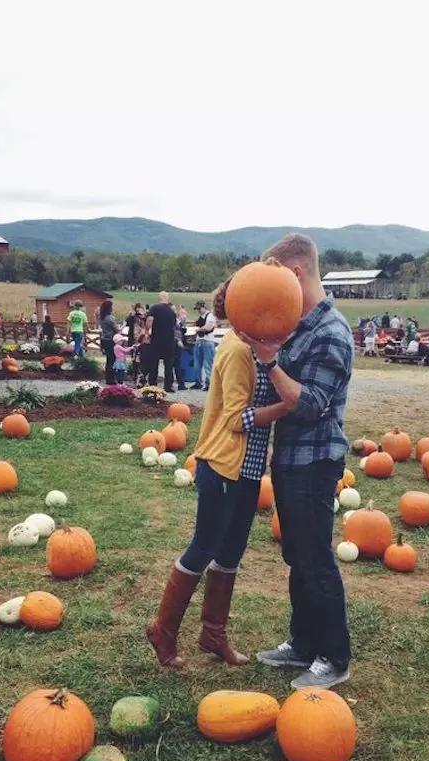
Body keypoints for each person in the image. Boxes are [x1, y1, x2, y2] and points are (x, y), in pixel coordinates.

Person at [146, 278, 290, 668]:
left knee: (230, 553)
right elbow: (238, 418)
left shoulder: (253, 347)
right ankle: (163, 629)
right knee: (204, 547)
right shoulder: (238, 351)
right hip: (223, 467)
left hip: (247, 469)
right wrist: (288, 407)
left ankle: (213, 635)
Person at [242, 234, 353, 690]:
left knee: (316, 559)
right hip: (289, 460)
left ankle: (334, 657)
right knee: (297, 556)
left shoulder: (331, 332)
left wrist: (269, 362)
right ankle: (303, 643)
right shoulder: (300, 325)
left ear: (296, 274)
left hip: (315, 462)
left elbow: (311, 405)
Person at [146, 292, 176, 392]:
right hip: (169, 339)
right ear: (168, 298)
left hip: (157, 337)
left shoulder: (155, 308)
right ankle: (168, 385)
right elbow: (174, 325)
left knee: (154, 361)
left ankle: (153, 384)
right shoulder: (172, 311)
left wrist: (147, 332)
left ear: (159, 298)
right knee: (168, 362)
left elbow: (149, 320)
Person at [191, 300, 217, 390]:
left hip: (207, 340)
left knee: (208, 363)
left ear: (203, 307)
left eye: (199, 309)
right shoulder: (201, 316)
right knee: (197, 363)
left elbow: (208, 327)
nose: (198, 310)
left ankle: (209, 383)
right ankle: (198, 382)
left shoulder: (210, 316)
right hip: (199, 340)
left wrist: (199, 330)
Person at [98, 299, 120, 384]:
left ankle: (108, 378)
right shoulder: (111, 318)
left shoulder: (102, 317)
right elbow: (116, 329)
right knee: (112, 360)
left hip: (104, 340)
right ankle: (111, 379)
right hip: (111, 340)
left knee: (108, 360)